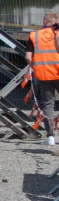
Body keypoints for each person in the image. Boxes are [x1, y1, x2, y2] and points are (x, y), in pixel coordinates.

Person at [29, 10, 59, 143]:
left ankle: (50, 136)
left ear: (45, 22)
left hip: (44, 75)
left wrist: (35, 66)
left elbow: (28, 57)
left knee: (48, 105)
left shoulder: (34, 35)